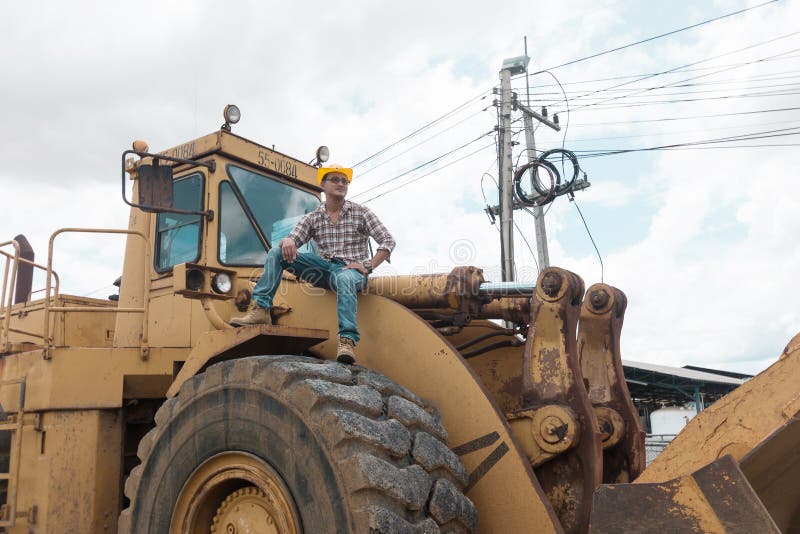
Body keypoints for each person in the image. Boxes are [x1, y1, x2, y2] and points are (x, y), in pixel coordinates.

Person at [230, 164, 396, 365]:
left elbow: (387, 240)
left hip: (351, 273)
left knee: (344, 277)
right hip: (325, 270)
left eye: (344, 181)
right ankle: (261, 309)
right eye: (335, 180)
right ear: (323, 185)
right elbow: (292, 240)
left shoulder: (361, 213)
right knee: (276, 252)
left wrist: (368, 265)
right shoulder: (314, 217)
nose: (341, 184)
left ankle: (347, 341)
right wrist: (288, 241)